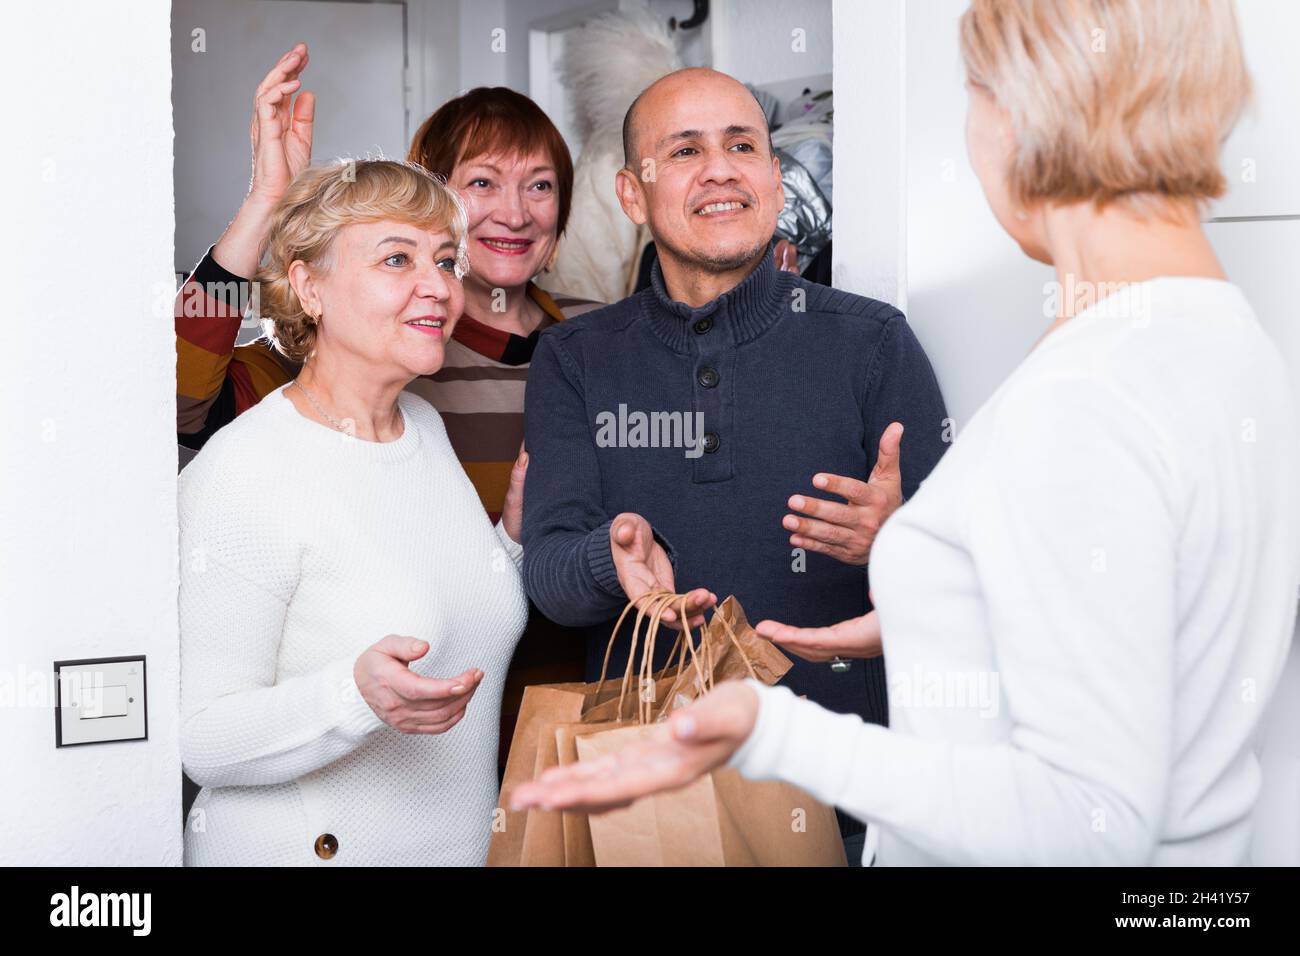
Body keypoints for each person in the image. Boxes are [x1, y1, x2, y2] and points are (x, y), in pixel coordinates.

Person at [511, 0, 1300, 867]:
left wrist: (772, 728)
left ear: (1030, 117)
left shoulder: (1079, 391)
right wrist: (913, 597)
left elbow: (1090, 819)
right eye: (686, 150)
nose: (971, 135)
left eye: (976, 97)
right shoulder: (1227, 346)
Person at [518, 66, 950, 856]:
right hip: (649, 811)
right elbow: (545, 576)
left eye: (742, 145)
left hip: (845, 807)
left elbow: (971, 597)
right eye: (684, 150)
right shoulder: (576, 359)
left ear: (776, 182)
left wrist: (897, 544)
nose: (720, 169)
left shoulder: (871, 341)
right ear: (631, 195)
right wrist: (607, 561)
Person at [173, 44, 600, 767]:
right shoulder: (365, 352)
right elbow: (178, 396)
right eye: (483, 183)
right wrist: (263, 204)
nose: (514, 212)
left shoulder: (595, 340)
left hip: (566, 715)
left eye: (540, 186)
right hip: (410, 744)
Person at [180, 159, 530, 866]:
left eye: (445, 259)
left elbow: (451, 609)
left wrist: (512, 543)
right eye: (397, 258)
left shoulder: (424, 429)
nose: (438, 286)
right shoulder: (246, 467)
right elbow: (199, 738)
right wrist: (353, 696)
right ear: (310, 287)